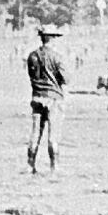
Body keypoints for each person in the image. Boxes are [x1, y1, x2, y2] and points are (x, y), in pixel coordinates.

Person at [26, 26, 69, 172]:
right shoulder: (57, 57)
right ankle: (54, 167)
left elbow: (31, 75)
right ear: (52, 38)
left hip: (37, 96)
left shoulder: (32, 56)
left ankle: (30, 165)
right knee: (53, 136)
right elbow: (66, 79)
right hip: (54, 98)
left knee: (35, 134)